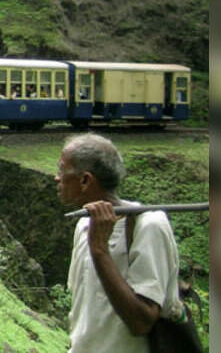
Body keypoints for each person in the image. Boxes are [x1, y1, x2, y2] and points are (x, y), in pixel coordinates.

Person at [56, 133, 183, 353]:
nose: (56, 177)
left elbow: (141, 322)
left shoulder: (149, 226)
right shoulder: (85, 225)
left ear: (86, 180)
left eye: (61, 170)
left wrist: (100, 250)